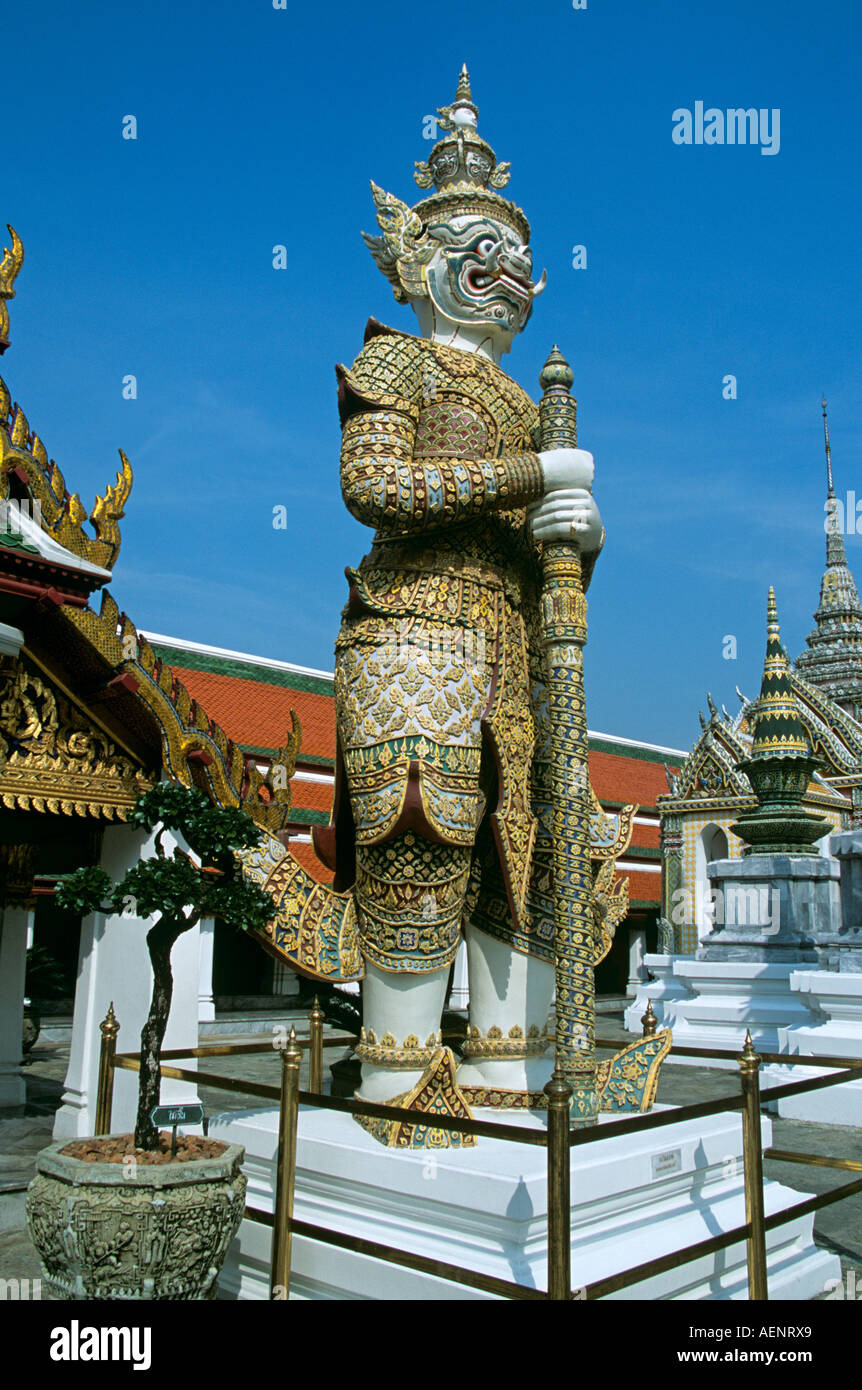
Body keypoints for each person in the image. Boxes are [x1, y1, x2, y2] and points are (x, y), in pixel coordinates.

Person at [319, 69, 605, 1116]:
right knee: (422, 839)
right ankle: (394, 1073)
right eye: (483, 258)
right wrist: (533, 479)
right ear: (420, 264)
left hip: (517, 654)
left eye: (520, 262)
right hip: (414, 638)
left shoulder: (536, 406)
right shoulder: (396, 363)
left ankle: (507, 1067)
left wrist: (581, 534)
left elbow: (549, 552)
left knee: (522, 861)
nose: (510, 278)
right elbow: (375, 487)